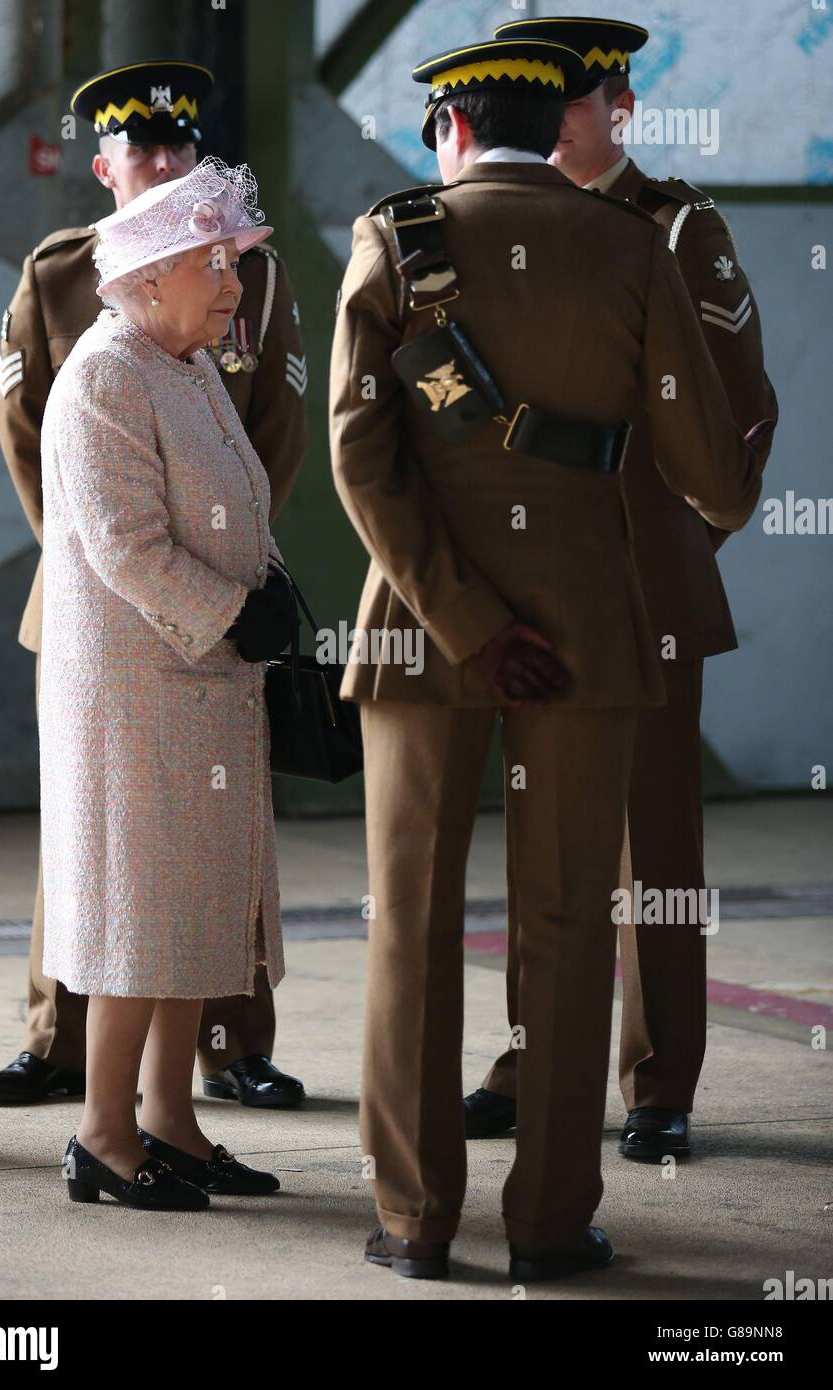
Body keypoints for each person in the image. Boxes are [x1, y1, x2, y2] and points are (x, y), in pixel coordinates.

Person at [330, 36, 771, 1280]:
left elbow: (361, 456)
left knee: (410, 919)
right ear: (552, 123)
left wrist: (467, 618)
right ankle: (548, 1223)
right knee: (572, 920)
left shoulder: (395, 236)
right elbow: (713, 472)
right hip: (586, 623)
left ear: (451, 129)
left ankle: (413, 1220)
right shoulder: (633, 245)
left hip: (422, 625)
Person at [465, 15, 778, 1162]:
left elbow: (740, 412)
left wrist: (675, 550)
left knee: (652, 845)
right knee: (538, 836)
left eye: (580, 101)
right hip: (527, 580)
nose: (558, 124)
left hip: (641, 584)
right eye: (543, 104)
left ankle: (656, 1078)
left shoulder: (675, 226)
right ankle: (529, 1058)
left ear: (620, 108)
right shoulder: (497, 225)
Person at [0, 60, 307, 1114]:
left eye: (180, 145)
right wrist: (99, 562)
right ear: (105, 166)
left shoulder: (236, 285)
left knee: (203, 856)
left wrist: (239, 570)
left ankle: (226, 1052)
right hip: (111, 610)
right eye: (144, 147)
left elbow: (275, 430)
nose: (165, 162)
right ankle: (64, 1048)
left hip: (213, 591)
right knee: (105, 856)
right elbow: (27, 434)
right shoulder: (65, 281)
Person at [42, 157, 295, 1209]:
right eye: (212, 265)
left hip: (201, 683)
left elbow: (235, 501)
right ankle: (103, 1137)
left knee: (190, 910)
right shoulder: (108, 373)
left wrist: (269, 585)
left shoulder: (183, 364)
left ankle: (169, 1121)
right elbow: (128, 548)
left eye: (233, 262)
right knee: (137, 916)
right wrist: (237, 613)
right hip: (137, 694)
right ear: (147, 277)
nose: (233, 284)